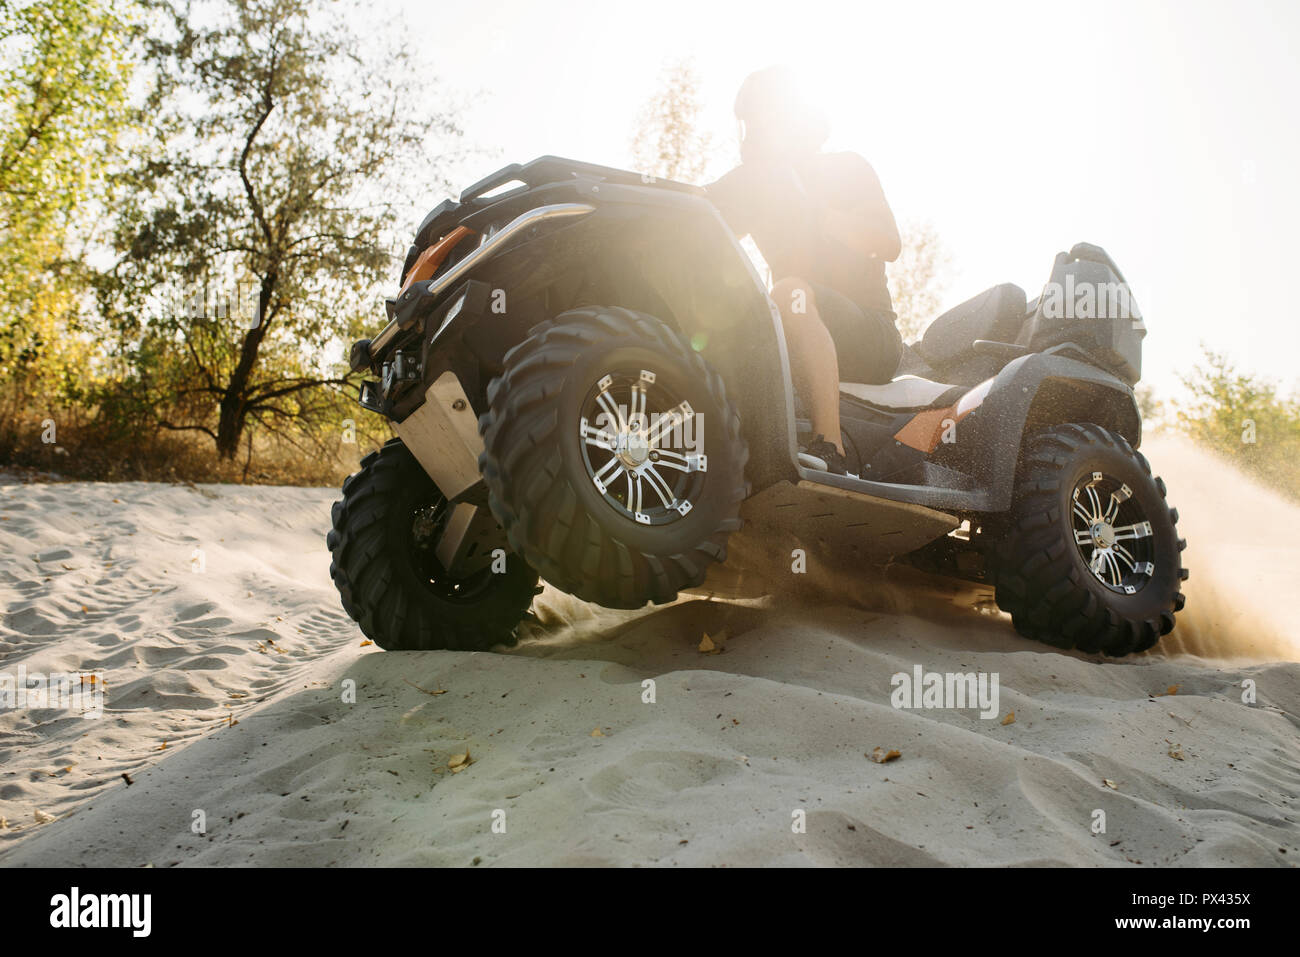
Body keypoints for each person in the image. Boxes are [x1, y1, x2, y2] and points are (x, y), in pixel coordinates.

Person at [706, 65, 903, 475]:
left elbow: (888, 242)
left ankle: (830, 448)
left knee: (788, 293)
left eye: (760, 119)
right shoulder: (754, 183)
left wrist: (815, 211)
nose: (751, 133)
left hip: (870, 336)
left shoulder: (845, 168)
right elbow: (693, 217)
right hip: (788, 328)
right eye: (747, 123)